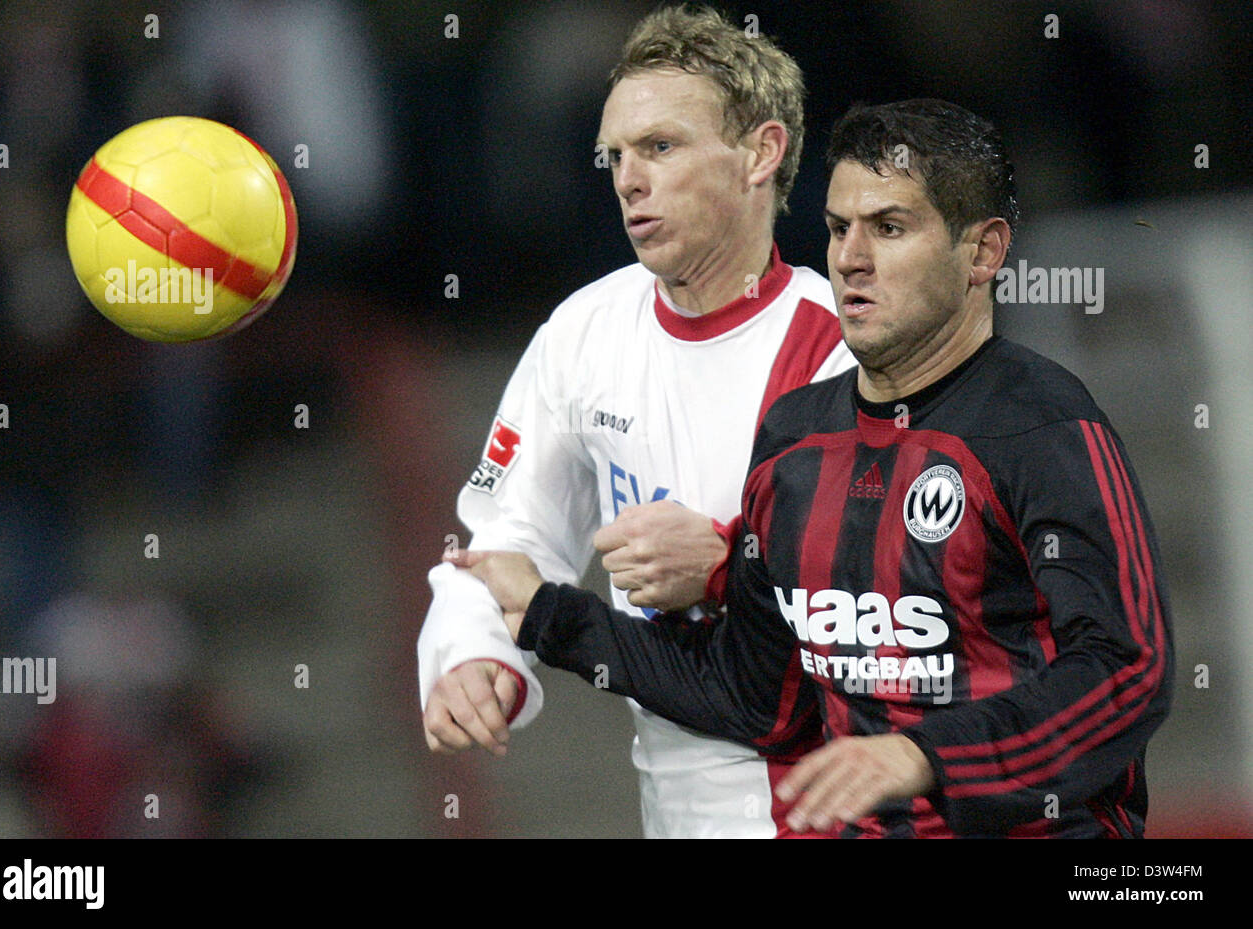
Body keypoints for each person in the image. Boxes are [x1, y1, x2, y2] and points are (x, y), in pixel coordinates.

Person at [454, 99, 1175, 838]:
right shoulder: (795, 439)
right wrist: (550, 613)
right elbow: (752, 696)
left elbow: (1126, 670)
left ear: (984, 253)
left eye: (889, 228)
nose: (851, 258)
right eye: (838, 228)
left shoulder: (1042, 424)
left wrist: (924, 755)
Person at [416, 6, 855, 838]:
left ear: (760, 154)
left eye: (661, 146)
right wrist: (474, 655)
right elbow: (506, 538)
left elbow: (909, 604)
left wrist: (731, 567)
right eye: (614, 154)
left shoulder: (844, 343)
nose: (627, 178)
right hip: (673, 807)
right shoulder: (585, 331)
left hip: (838, 807)